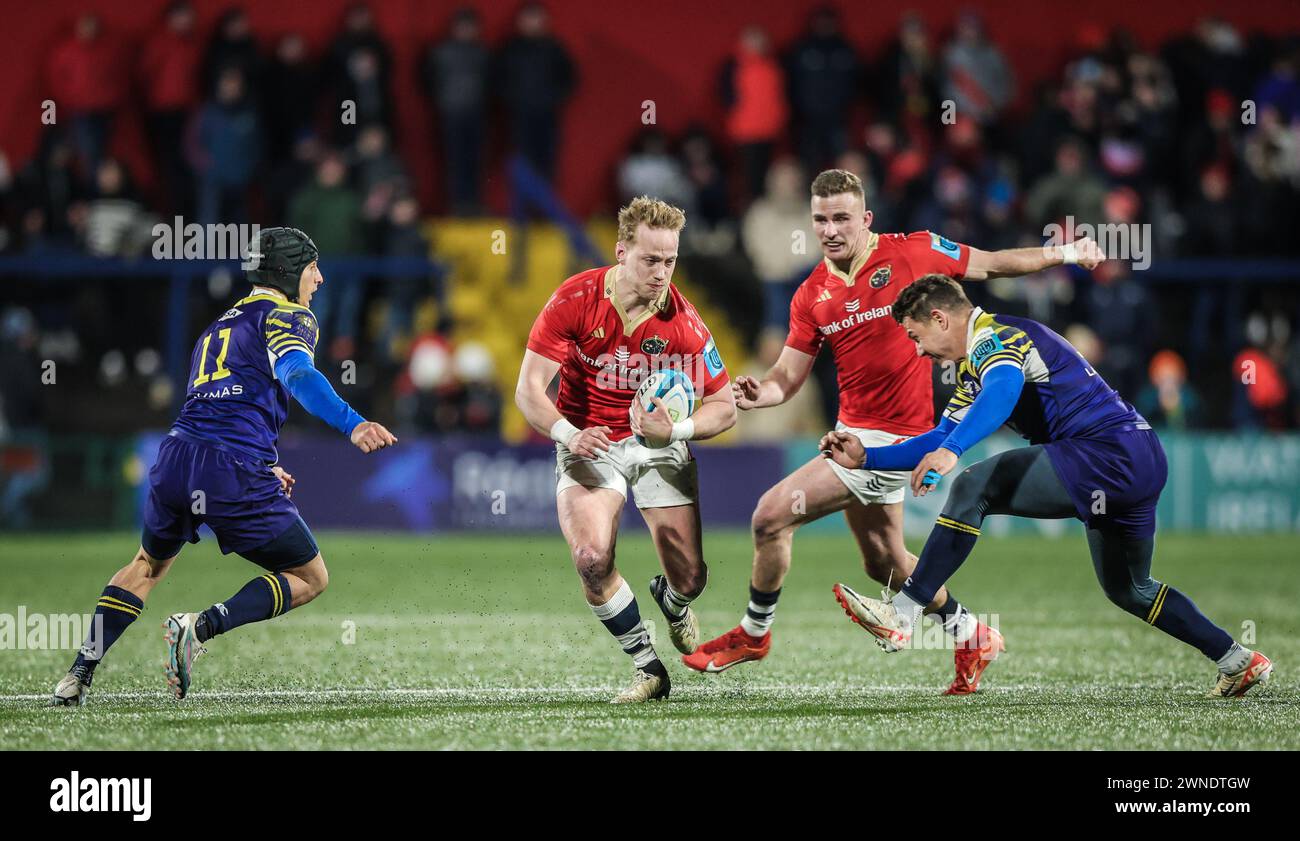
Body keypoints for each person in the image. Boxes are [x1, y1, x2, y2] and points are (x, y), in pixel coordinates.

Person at [685, 168, 1104, 695]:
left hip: (894, 441)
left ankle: (754, 633)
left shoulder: (915, 252)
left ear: (866, 218)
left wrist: (1064, 254)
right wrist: (759, 393)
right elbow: (787, 377)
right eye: (820, 220)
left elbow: (993, 264)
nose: (831, 229)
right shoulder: (811, 293)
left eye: (841, 218)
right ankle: (971, 633)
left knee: (770, 517)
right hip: (850, 432)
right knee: (883, 562)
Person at [823, 275, 1271, 699]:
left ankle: (903, 613)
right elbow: (941, 435)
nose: (918, 351)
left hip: (1106, 452)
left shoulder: (994, 337)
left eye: (916, 336)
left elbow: (1003, 388)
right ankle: (1237, 659)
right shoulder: (971, 366)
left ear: (941, 318)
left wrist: (956, 451)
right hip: (1135, 456)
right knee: (1129, 589)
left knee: (974, 486)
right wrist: (868, 456)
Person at [50, 228, 398, 706]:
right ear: (288, 272)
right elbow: (298, 375)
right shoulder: (287, 315)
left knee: (145, 566)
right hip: (227, 466)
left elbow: (220, 404)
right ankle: (200, 627)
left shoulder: (218, 326)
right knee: (311, 576)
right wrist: (352, 423)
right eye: (312, 266)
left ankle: (77, 674)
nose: (319, 278)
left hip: (176, 457)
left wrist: (262, 462)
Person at [515, 197, 736, 703]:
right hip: (590, 442)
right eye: (650, 260)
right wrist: (570, 434)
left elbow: (724, 406)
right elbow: (528, 391)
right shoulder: (575, 300)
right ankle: (648, 666)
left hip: (658, 443)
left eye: (671, 260)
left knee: (693, 577)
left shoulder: (684, 323)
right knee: (592, 560)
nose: (662, 273)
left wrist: (674, 434)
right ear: (620, 252)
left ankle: (674, 601)